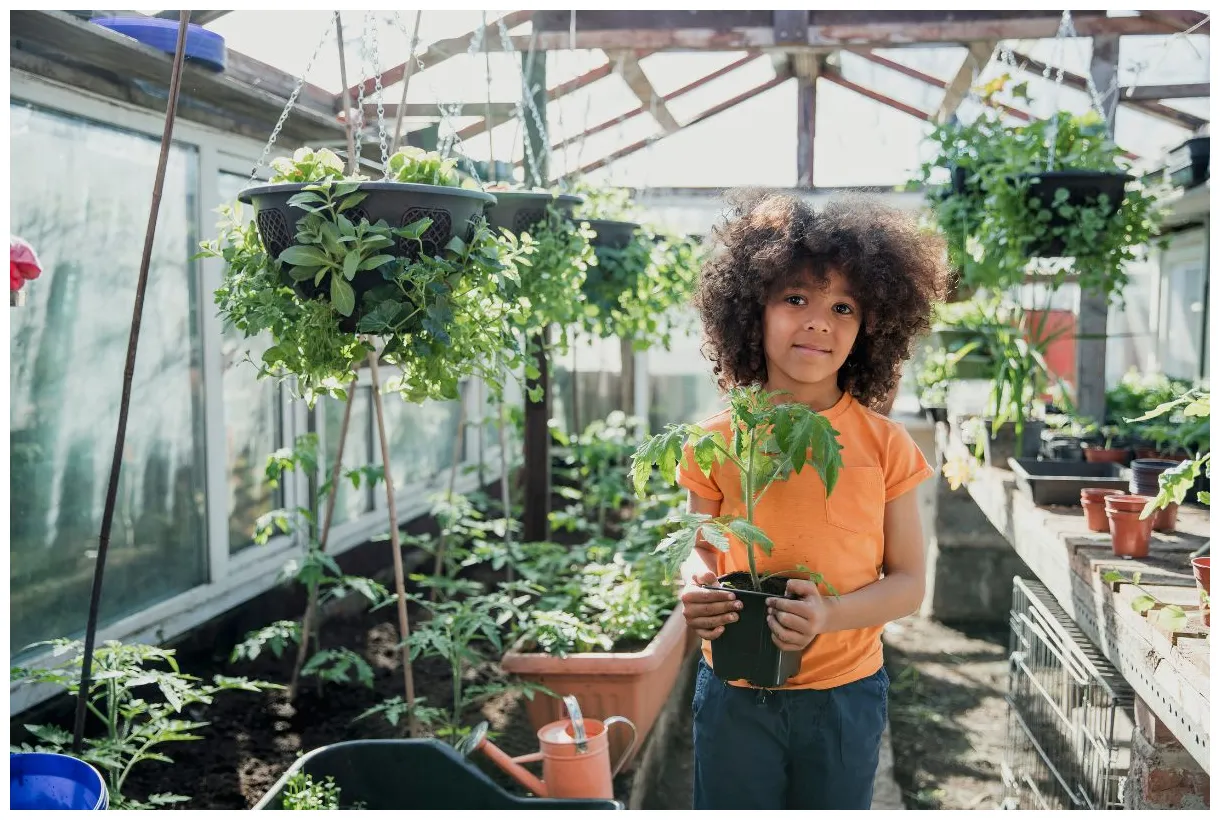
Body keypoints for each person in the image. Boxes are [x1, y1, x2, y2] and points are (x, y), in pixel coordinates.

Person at [676, 190, 949, 810]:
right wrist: (696, 588)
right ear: (753, 309)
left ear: (871, 328)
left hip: (844, 696)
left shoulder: (885, 445)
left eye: (844, 307)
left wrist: (827, 615)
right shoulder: (717, 440)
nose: (819, 321)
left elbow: (907, 583)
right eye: (795, 297)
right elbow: (698, 549)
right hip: (734, 689)